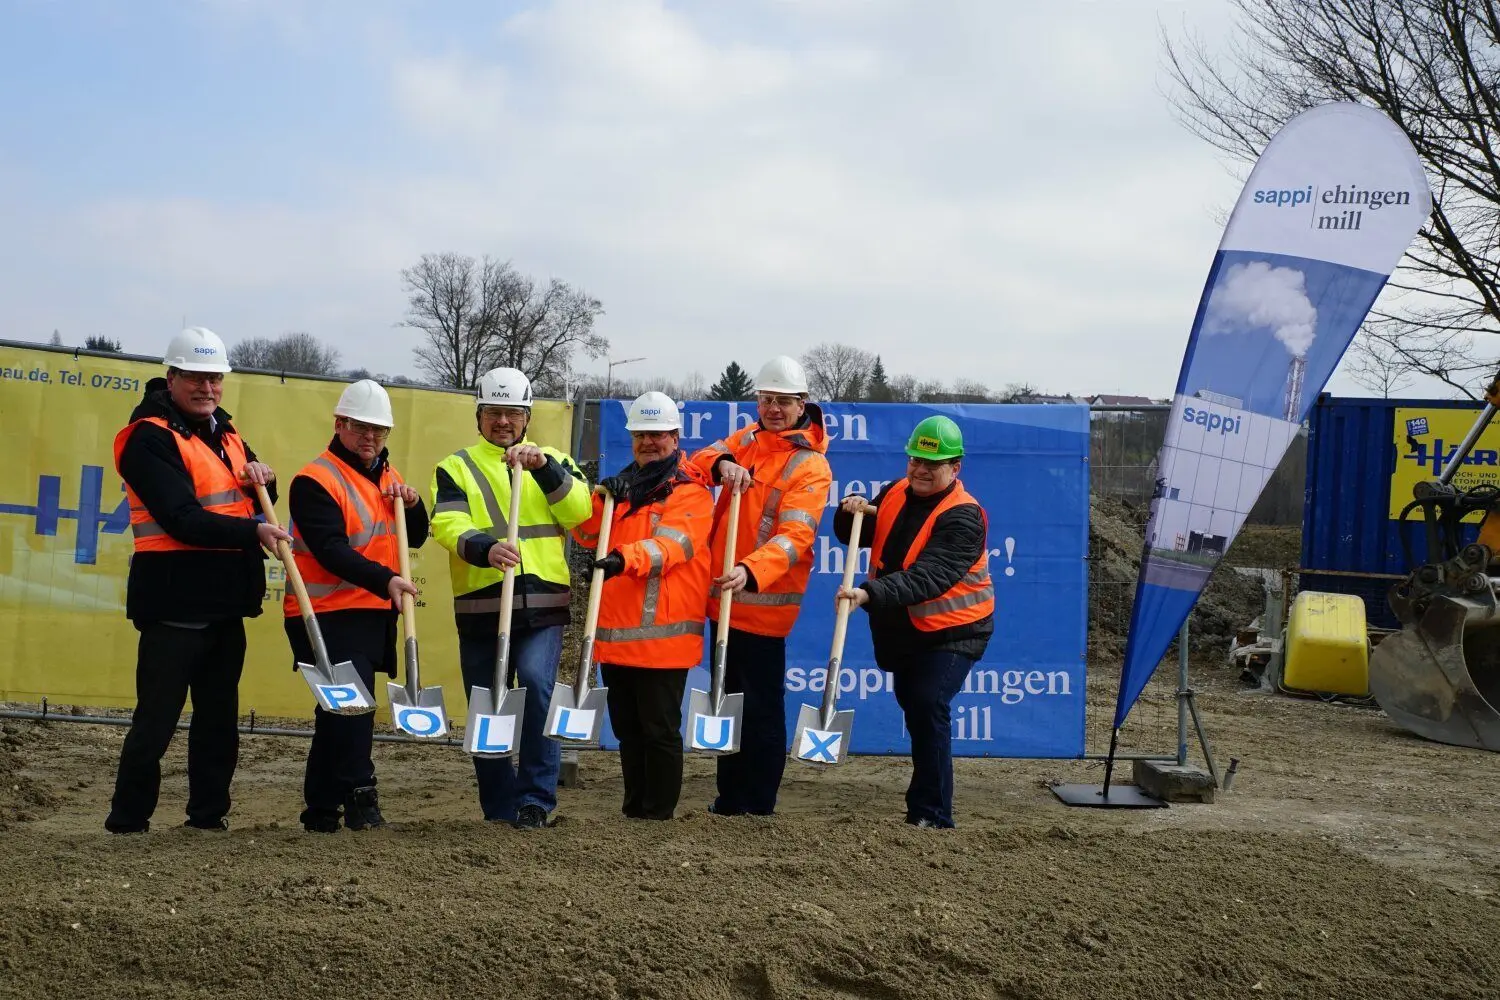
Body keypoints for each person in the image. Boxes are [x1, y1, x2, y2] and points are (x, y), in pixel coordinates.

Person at [105, 327, 290, 834]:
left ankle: (208, 817)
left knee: (218, 722)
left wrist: (265, 480)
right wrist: (254, 531)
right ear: (172, 378)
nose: (207, 387)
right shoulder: (148, 438)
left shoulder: (225, 432)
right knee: (157, 722)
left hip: (226, 602)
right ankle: (128, 820)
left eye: (215, 378)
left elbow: (242, 493)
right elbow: (181, 518)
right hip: (174, 602)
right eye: (196, 377)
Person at [431, 367, 592, 829]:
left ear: (527, 417)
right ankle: (499, 806)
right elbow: (447, 524)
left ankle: (536, 801)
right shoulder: (456, 465)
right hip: (483, 600)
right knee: (488, 702)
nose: (503, 421)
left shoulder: (555, 458)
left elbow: (579, 511)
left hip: (542, 602)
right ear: (479, 415)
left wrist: (543, 469)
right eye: (494, 413)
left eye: (513, 413)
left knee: (540, 691)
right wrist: (485, 548)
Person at [833, 415, 994, 829]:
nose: (920, 470)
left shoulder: (964, 517)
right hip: (905, 629)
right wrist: (849, 509)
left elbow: (929, 577)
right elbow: (863, 533)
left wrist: (869, 593)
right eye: (915, 460)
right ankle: (925, 802)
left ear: (954, 468)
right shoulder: (895, 492)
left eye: (932, 464)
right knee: (915, 705)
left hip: (956, 630)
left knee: (927, 702)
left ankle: (932, 813)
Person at [688, 355, 832, 816]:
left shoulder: (809, 466)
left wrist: (752, 570)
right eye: (767, 399)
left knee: (762, 709)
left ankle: (759, 803)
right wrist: (724, 463)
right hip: (724, 599)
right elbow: (699, 459)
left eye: (784, 401)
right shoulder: (746, 439)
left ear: (802, 404)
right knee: (728, 701)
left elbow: (796, 536)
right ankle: (730, 798)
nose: (773, 408)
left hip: (763, 601)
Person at [283, 380, 429, 833]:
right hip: (324, 614)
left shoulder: (389, 477)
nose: (370, 438)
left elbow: (415, 537)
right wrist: (386, 580)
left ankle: (322, 810)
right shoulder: (315, 480)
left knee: (337, 711)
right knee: (353, 707)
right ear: (339, 424)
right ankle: (361, 798)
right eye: (361, 428)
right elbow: (330, 549)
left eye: (379, 431)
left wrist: (415, 504)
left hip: (369, 613)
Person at [573, 392, 714, 821]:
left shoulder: (691, 494)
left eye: (657, 435)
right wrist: (602, 496)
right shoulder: (624, 488)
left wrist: (621, 559)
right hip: (617, 636)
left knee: (658, 730)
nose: (649, 443)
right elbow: (585, 533)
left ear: (675, 438)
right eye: (641, 435)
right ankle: (635, 810)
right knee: (628, 731)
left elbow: (672, 547)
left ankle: (658, 815)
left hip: (663, 639)